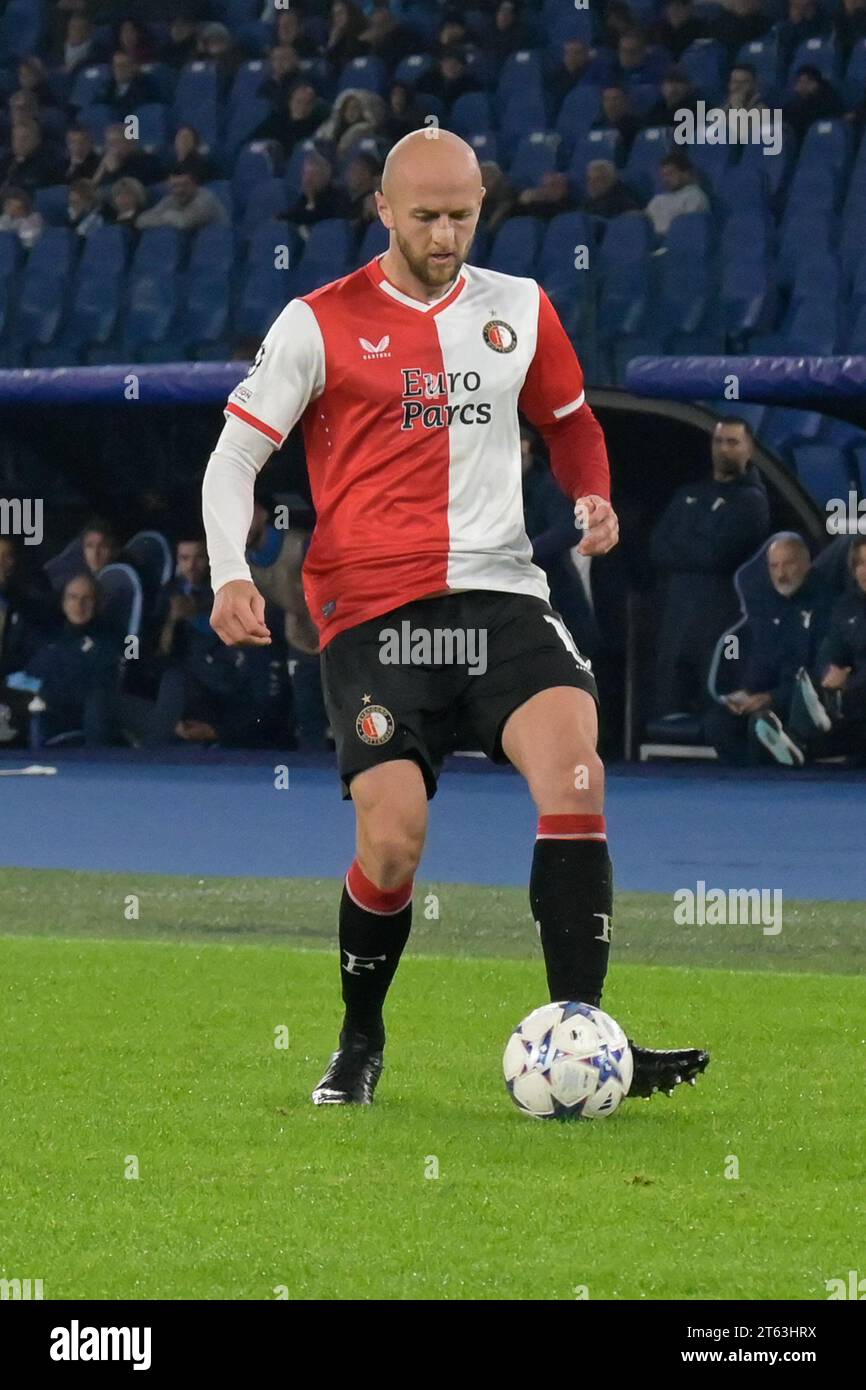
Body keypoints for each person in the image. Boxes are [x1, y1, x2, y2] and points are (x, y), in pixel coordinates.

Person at [202, 126, 709, 1107]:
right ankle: (359, 1040)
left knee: (574, 773)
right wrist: (233, 572)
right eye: (425, 216)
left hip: (501, 598)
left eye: (461, 215)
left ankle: (582, 1030)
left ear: (483, 206)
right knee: (391, 841)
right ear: (382, 211)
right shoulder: (317, 322)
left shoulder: (517, 307)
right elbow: (234, 456)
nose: (444, 233)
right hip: (374, 615)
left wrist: (589, 493)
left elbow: (568, 421)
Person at [650, 417, 770, 718]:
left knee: (714, 700)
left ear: (749, 449)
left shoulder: (752, 501)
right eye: (718, 441)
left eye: (733, 442)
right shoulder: (689, 494)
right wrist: (697, 549)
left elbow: (718, 555)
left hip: (722, 619)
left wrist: (684, 547)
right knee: (670, 702)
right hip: (677, 615)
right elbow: (656, 547)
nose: (724, 449)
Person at [704, 534, 834, 764]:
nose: (781, 574)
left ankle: (775, 774)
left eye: (788, 564)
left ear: (806, 563)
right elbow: (757, 661)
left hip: (797, 702)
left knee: (761, 725)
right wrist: (742, 695)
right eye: (775, 566)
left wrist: (772, 698)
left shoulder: (825, 605)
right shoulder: (765, 606)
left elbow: (820, 672)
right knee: (718, 723)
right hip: (760, 700)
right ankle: (742, 782)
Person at [752, 536, 866, 765]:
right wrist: (828, 675)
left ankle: (798, 740)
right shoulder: (847, 606)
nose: (864, 570)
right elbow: (831, 649)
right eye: (860, 564)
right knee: (811, 683)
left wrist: (847, 687)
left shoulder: (826, 602)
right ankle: (800, 741)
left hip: (856, 696)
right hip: (852, 702)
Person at [21, 573, 121, 747]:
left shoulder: (109, 641)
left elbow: (97, 689)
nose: (79, 605)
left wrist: (44, 692)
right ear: (64, 603)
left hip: (71, 714)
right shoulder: (49, 638)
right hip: (29, 704)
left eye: (86, 599)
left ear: (98, 604)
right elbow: (27, 675)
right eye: (73, 597)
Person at [136, 169, 228, 232]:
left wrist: (165, 215)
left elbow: (184, 222)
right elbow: (141, 221)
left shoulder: (206, 198)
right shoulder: (170, 200)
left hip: (216, 244)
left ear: (195, 184)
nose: (180, 190)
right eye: (175, 186)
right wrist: (167, 217)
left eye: (185, 185)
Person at [645, 151, 710, 237]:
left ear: (686, 174)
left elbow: (689, 231)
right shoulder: (658, 200)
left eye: (671, 174)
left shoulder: (695, 197)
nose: (665, 179)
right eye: (664, 175)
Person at [284, 151, 349, 226]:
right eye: (305, 174)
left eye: (313, 175)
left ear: (325, 177)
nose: (308, 179)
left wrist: (311, 199)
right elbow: (294, 213)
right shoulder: (305, 197)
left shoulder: (336, 196)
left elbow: (317, 217)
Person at [0, 120, 63, 193]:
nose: (19, 143)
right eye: (16, 138)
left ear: (37, 140)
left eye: (25, 139)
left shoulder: (46, 164)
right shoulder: (6, 160)